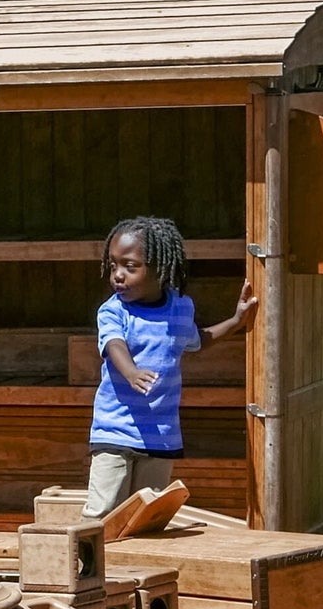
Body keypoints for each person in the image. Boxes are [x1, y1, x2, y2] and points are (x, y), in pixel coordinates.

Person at [85, 216, 257, 518]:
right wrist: (132, 372)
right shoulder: (114, 310)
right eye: (113, 265)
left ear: (160, 270)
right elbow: (114, 345)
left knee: (147, 514)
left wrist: (236, 321)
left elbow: (196, 340)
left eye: (130, 266)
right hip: (114, 431)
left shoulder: (179, 308)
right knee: (103, 511)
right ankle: (88, 564)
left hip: (160, 434)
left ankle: (136, 564)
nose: (118, 275)